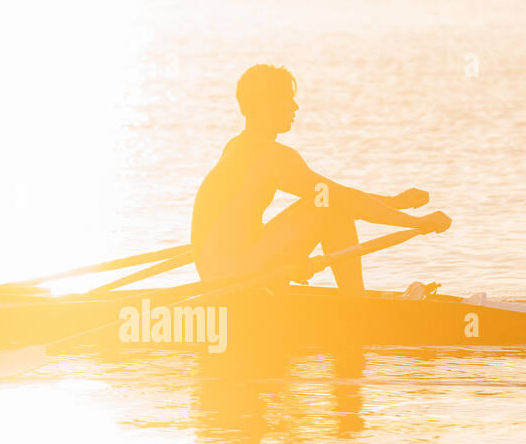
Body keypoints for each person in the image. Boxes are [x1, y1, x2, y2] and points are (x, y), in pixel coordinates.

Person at [191, 64, 451, 293]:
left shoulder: (237, 146)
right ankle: (356, 307)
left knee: (331, 204)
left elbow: (340, 196)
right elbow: (341, 198)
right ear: (266, 105)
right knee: (332, 207)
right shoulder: (273, 156)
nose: (295, 106)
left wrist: (393, 202)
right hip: (230, 279)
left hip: (222, 269)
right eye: (287, 99)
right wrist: (415, 222)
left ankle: (353, 303)